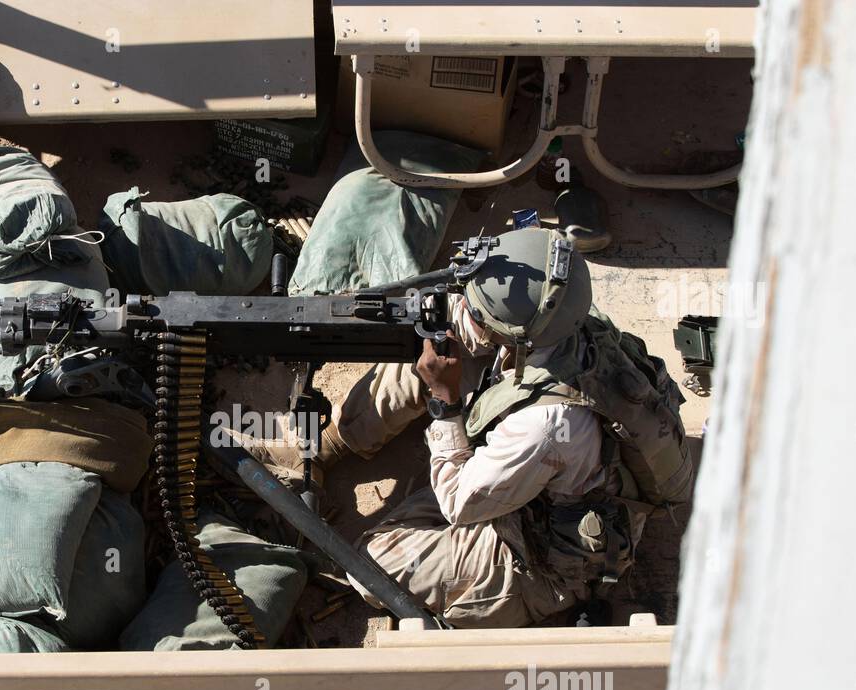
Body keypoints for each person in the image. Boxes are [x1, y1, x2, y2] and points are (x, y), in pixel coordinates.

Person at [241, 226, 691, 627]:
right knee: (434, 349)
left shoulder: (547, 425)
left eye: (479, 312)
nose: (467, 312)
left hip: (547, 558)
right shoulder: (564, 319)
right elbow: (468, 323)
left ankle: (509, 609)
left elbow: (459, 502)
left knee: (372, 557)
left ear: (519, 338)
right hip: (551, 473)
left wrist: (445, 402)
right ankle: (329, 447)